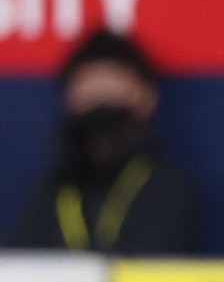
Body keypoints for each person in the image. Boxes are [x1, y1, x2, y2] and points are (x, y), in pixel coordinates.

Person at [8, 29, 200, 255]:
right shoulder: (53, 191)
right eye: (88, 84)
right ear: (69, 99)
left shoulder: (167, 189)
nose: (100, 93)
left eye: (113, 83)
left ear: (148, 97)